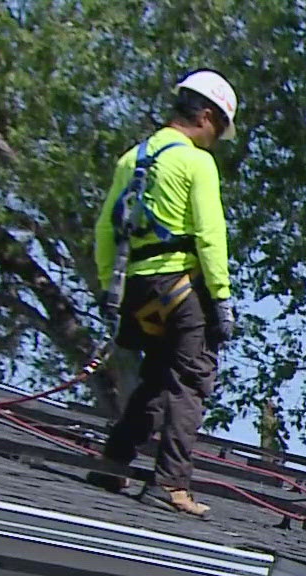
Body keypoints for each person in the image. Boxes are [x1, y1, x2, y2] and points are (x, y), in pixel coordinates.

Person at [88, 70, 241, 517]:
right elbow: (210, 236)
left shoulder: (131, 160)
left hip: (138, 291)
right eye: (218, 130)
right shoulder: (195, 162)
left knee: (156, 377)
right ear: (207, 116)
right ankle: (172, 484)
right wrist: (221, 299)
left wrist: (107, 288)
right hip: (178, 289)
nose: (216, 140)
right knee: (190, 382)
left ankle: (114, 462)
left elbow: (105, 229)